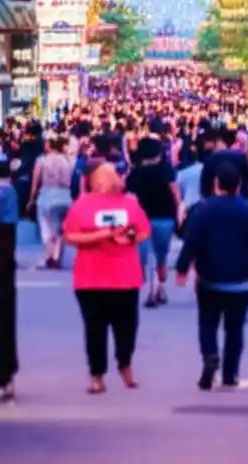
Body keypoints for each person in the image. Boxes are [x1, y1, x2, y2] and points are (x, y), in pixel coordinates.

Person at [175, 163, 248, 390]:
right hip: (241, 280)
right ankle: (230, 374)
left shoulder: (203, 209)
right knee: (235, 329)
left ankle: (210, 355)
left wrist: (182, 269)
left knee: (207, 323)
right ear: (238, 185)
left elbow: (192, 243)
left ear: (216, 184)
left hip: (210, 278)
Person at [62, 159, 151, 394]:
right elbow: (70, 236)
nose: (115, 180)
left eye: (116, 175)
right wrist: (101, 236)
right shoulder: (81, 205)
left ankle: (125, 364)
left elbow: (143, 231)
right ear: (96, 182)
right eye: (109, 176)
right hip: (91, 278)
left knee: (127, 327)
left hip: (125, 277)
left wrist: (129, 237)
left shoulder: (129, 203)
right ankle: (96, 374)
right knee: (95, 328)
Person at [126, 138, 182, 308]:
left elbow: (130, 198)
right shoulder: (167, 170)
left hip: (141, 219)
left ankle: (150, 289)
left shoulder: (135, 173)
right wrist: (179, 210)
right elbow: (175, 193)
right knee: (161, 256)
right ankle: (161, 287)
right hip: (165, 218)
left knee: (144, 256)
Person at [28, 135, 74, 269]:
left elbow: (35, 182)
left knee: (46, 228)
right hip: (65, 195)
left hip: (47, 196)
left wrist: (31, 198)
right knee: (61, 229)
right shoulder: (67, 160)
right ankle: (57, 256)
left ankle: (50, 256)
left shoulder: (42, 160)